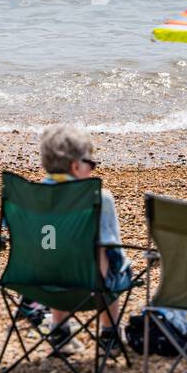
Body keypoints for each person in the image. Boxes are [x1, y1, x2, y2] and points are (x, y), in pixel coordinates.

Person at [36, 124, 130, 358]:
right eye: (91, 163)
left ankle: (59, 332)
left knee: (54, 251)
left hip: (39, 283)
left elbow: (14, 230)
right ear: (75, 166)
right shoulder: (99, 197)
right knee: (110, 260)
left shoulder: (30, 195)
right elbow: (111, 246)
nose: (93, 168)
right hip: (91, 286)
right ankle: (109, 335)